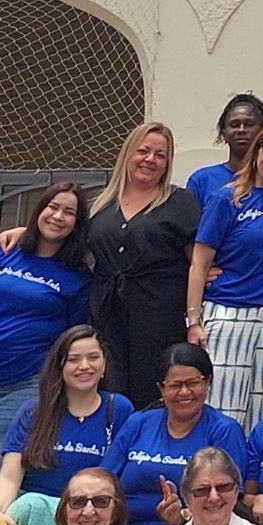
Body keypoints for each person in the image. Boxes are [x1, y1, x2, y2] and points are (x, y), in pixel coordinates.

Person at [0, 181, 92, 439]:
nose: (58, 217)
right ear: (39, 210)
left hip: (22, 387)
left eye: (69, 212)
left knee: (0, 466)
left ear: (77, 223)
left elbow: (72, 341)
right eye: (52, 207)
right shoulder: (0, 252)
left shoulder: (77, 276)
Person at [189, 121, 263, 419]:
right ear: (257, 152)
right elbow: (200, 263)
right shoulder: (226, 198)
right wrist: (193, 320)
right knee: (224, 409)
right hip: (230, 313)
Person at [80, 123, 204, 407]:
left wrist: (195, 312)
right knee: (110, 386)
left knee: (153, 388)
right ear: (128, 155)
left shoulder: (180, 202)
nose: (150, 159)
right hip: (107, 315)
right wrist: (19, 233)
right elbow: (67, 244)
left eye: (160, 155)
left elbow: (198, 260)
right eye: (144, 151)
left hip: (159, 315)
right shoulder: (100, 204)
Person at [108, 341, 250, 525]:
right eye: (174, 385)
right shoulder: (138, 423)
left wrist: (183, 518)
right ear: (160, 389)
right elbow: (105, 480)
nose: (184, 392)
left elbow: (229, 500)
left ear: (207, 383)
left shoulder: (224, 430)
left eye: (193, 383)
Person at [1, 321, 134, 512]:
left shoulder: (120, 409)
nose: (84, 366)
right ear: (59, 366)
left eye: (93, 357)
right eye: (73, 360)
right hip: (36, 510)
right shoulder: (32, 412)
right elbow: (9, 478)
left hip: (92, 513)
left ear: (104, 364)